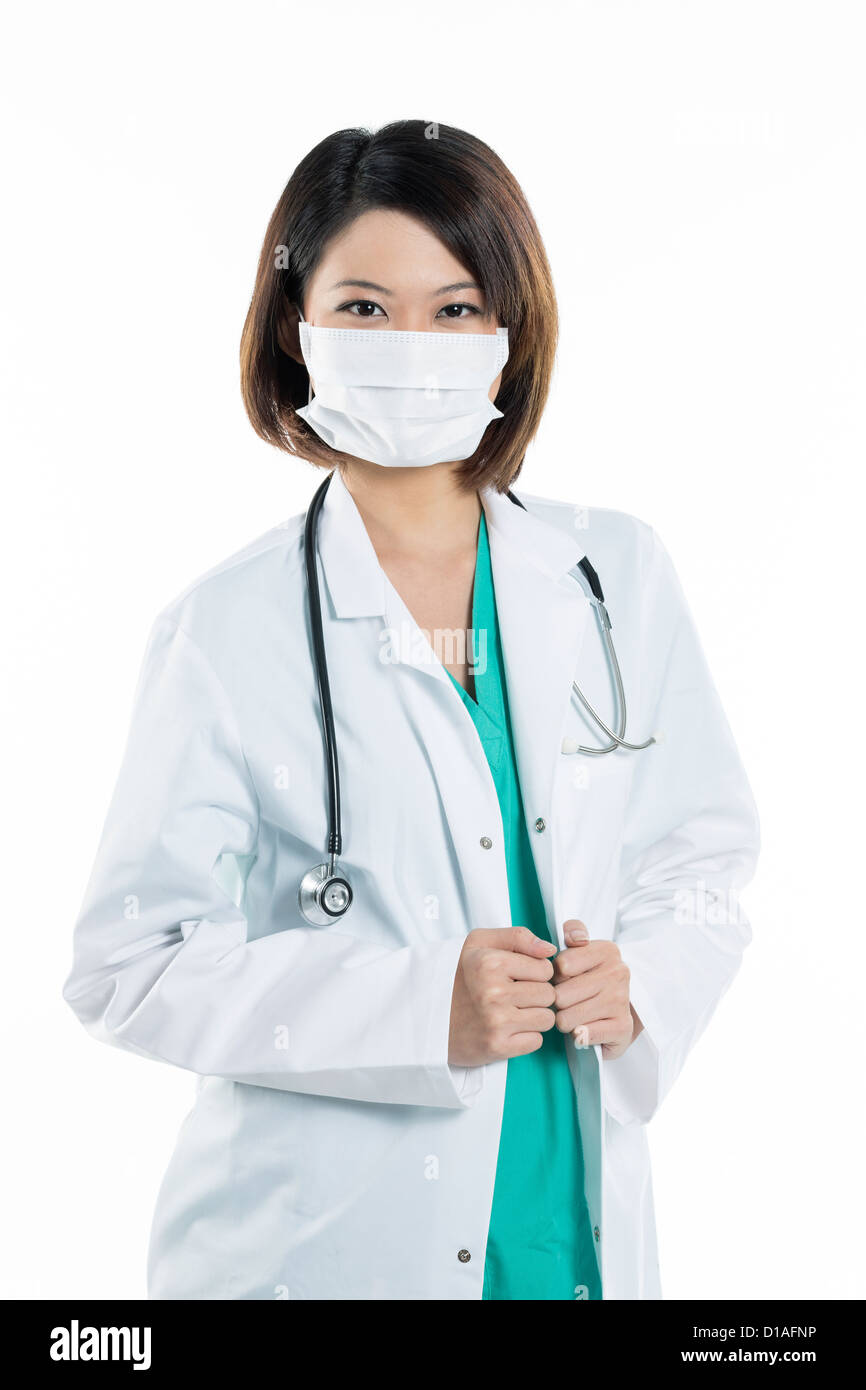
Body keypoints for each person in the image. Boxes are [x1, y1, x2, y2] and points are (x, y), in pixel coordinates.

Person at [62, 119, 760, 1301]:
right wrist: (412, 1005)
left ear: (505, 336)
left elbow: (702, 855)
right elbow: (126, 963)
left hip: (566, 1231)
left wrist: (641, 981)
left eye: (453, 309)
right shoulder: (223, 630)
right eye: (364, 308)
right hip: (317, 1251)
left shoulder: (612, 578)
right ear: (297, 333)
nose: (411, 345)